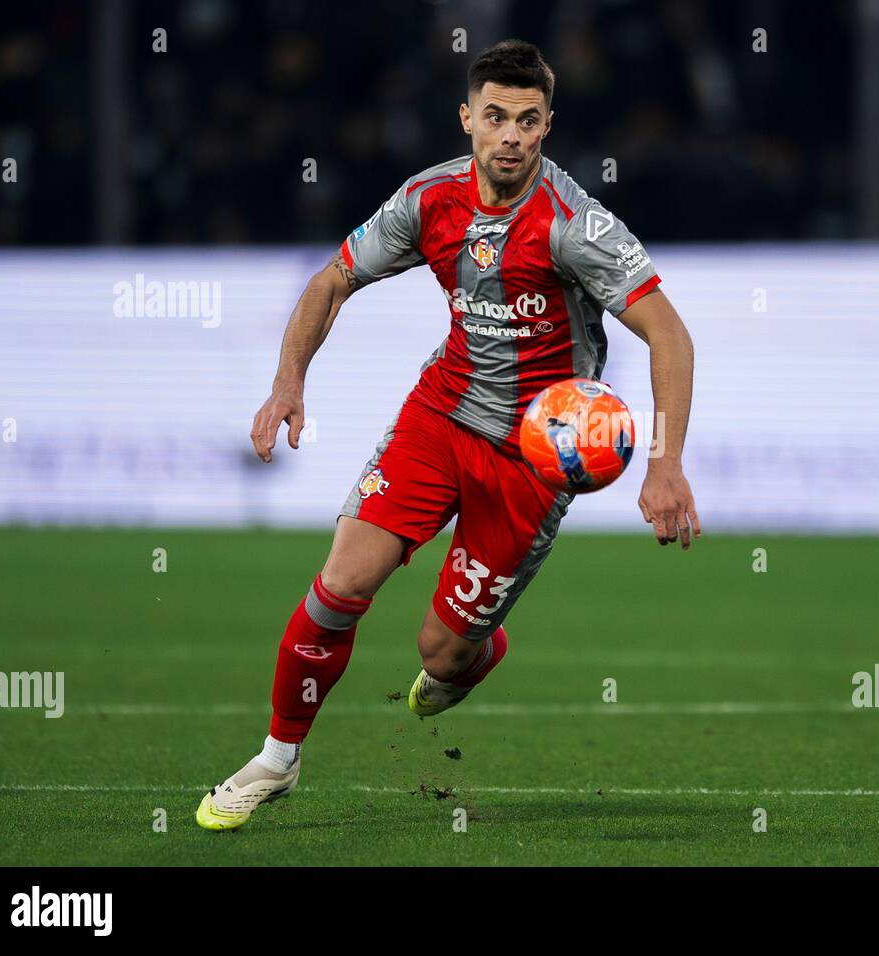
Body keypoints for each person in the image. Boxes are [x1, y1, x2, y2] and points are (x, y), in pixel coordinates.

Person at [197, 39, 699, 831]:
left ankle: (471, 653)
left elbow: (669, 335)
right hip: (440, 417)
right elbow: (334, 278)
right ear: (467, 119)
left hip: (535, 460)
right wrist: (288, 381)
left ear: (546, 127)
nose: (510, 136)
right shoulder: (430, 200)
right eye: (495, 117)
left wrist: (665, 464)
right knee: (341, 587)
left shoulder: (575, 226)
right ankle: (277, 758)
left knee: (442, 656)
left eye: (527, 122)